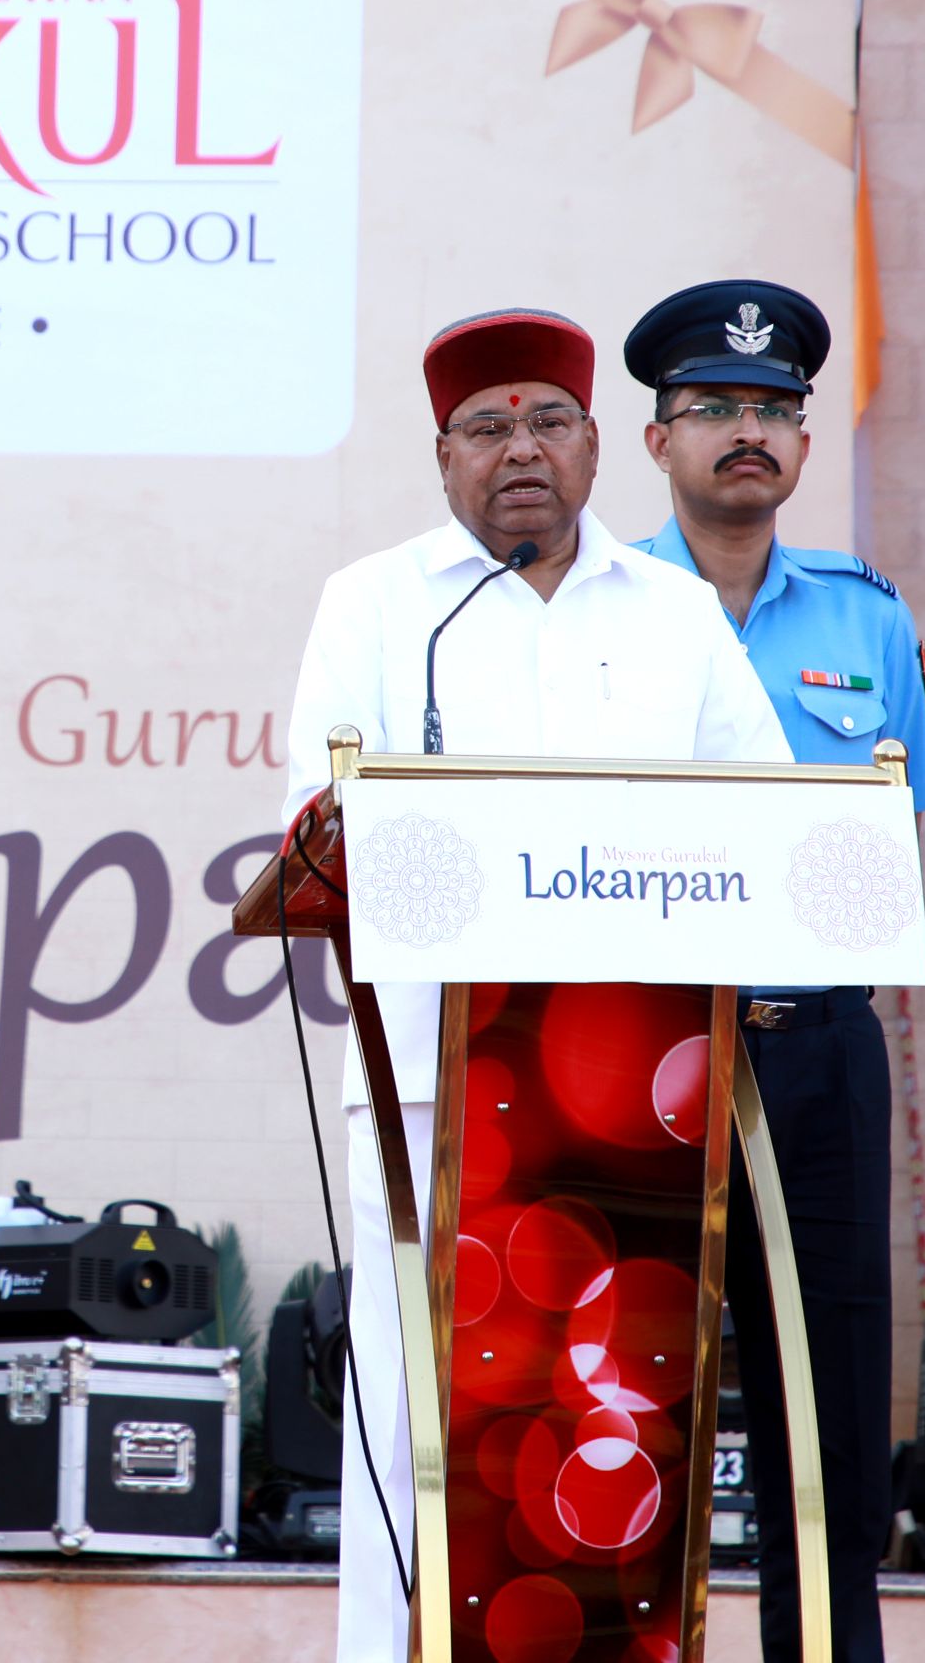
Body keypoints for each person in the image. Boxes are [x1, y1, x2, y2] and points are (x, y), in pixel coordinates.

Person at [282, 304, 790, 1663]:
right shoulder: (382, 606)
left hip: (636, 1127)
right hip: (434, 1105)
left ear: (596, 447)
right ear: (442, 456)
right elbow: (315, 831)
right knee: (415, 1436)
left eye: (548, 421)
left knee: (620, 1426)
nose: (522, 450)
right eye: (488, 427)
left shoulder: (677, 614)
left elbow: (763, 831)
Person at [623, 278, 925, 1663]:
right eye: (714, 409)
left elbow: (899, 825)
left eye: (772, 410)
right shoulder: (593, 611)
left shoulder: (866, 617)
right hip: (632, 1049)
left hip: (815, 1046)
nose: (746, 432)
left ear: (802, 445)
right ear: (659, 439)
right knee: (624, 1395)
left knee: (827, 1401)